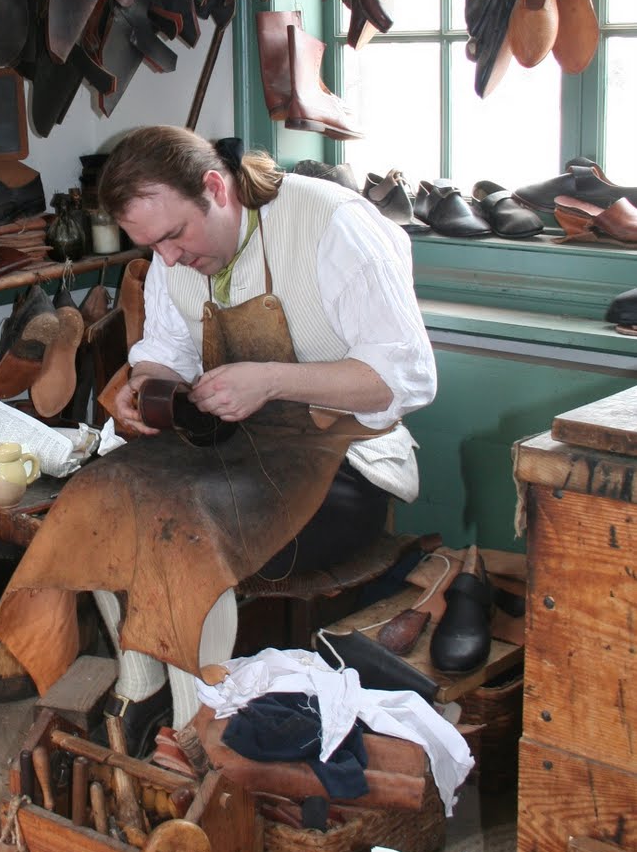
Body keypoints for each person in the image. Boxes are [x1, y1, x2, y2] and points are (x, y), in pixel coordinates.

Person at [90, 125, 437, 753]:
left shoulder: (336, 226)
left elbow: (405, 378)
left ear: (217, 189)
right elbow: (165, 352)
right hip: (242, 453)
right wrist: (145, 384)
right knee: (102, 499)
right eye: (149, 246)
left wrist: (273, 381)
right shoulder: (173, 258)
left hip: (345, 462)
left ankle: (201, 724)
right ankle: (142, 696)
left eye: (172, 237)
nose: (165, 259)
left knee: (191, 530)